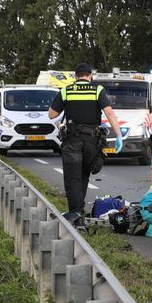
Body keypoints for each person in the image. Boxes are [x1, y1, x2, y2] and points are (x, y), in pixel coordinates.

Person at [48, 63, 123, 221]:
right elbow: (109, 112)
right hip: (91, 141)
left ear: (75, 76)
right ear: (90, 76)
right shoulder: (97, 90)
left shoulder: (66, 91)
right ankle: (78, 208)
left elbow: (52, 114)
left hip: (72, 141)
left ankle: (75, 211)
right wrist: (118, 135)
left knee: (72, 177)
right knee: (84, 174)